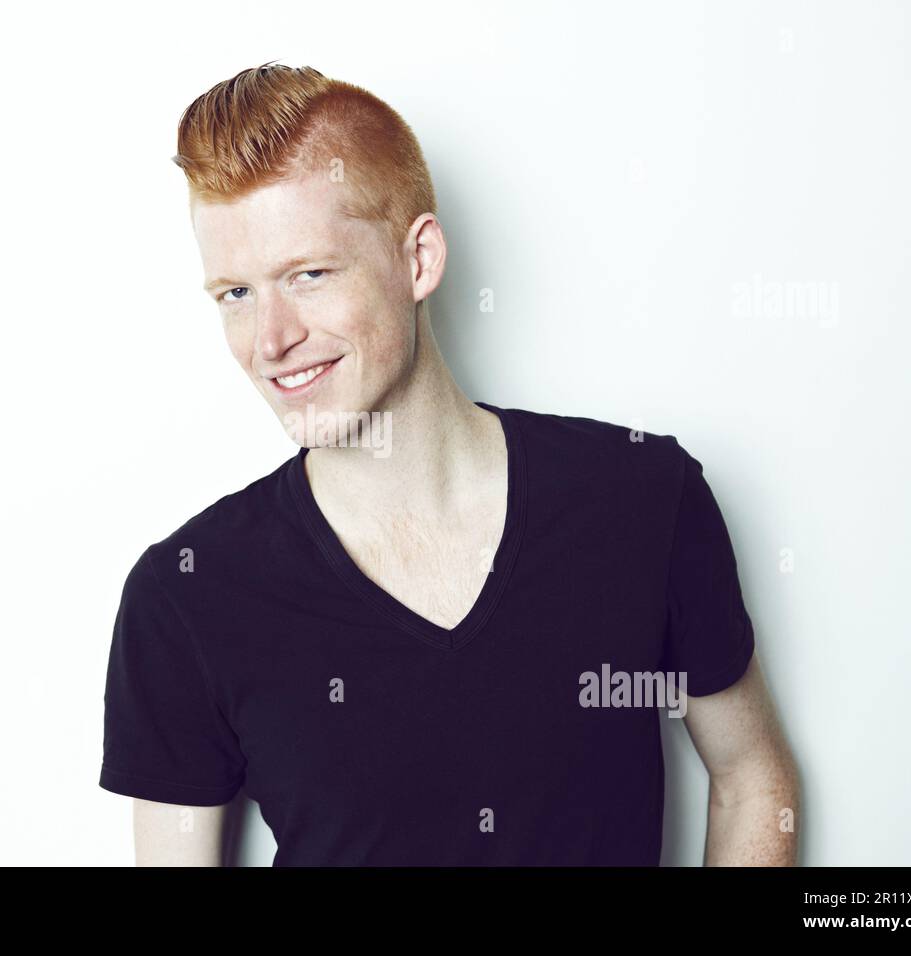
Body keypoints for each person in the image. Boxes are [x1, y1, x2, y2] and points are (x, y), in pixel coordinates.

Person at [99, 61, 799, 866]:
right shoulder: (185, 593)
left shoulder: (642, 497)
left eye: (309, 275)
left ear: (418, 260)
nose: (269, 341)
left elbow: (752, 779)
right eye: (235, 294)